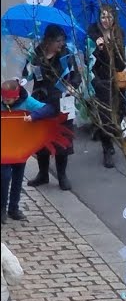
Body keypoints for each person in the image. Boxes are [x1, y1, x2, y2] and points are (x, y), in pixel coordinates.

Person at [25, 25, 79, 191]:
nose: (61, 44)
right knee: (42, 140)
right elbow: (27, 74)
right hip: (41, 100)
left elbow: (76, 75)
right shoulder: (36, 55)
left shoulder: (66, 55)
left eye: (63, 40)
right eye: (58, 41)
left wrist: (73, 85)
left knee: (62, 141)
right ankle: (43, 174)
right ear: (48, 40)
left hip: (62, 101)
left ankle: (62, 175)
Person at [0, 81, 56, 222]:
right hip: (4, 148)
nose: (5, 101)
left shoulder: (27, 101)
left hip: (20, 147)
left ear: (17, 96)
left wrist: (34, 116)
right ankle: (1, 210)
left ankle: (14, 209)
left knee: (18, 178)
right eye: (4, 99)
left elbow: (49, 109)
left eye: (8, 99)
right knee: (4, 177)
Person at [87, 6, 126, 169]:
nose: (106, 20)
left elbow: (120, 61)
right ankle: (107, 148)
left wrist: (112, 48)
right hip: (100, 79)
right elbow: (89, 59)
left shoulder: (119, 33)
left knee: (120, 110)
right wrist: (98, 46)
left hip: (117, 77)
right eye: (103, 17)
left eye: (109, 17)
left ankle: (107, 132)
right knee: (105, 114)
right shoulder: (93, 33)